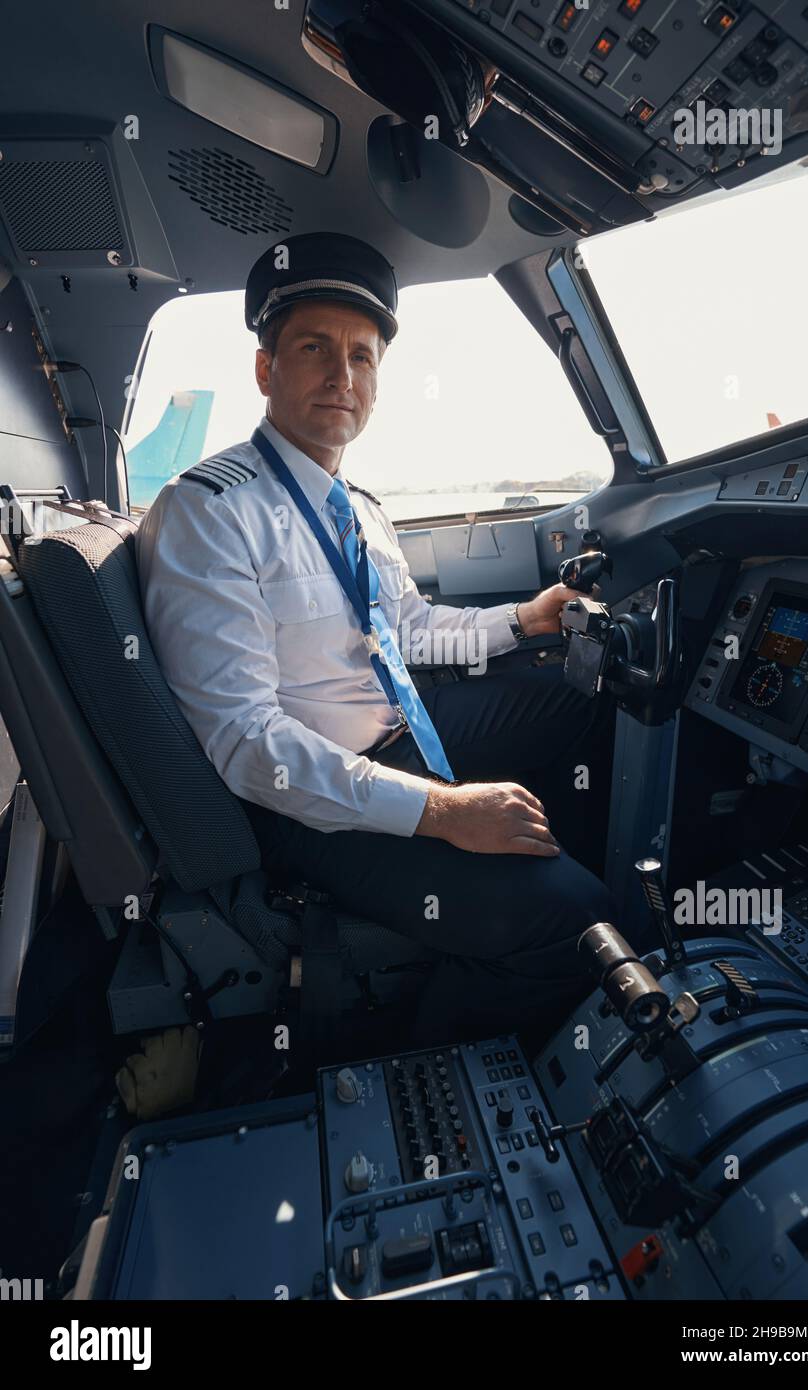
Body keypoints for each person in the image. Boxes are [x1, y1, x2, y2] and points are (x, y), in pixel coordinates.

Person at [135, 231, 614, 1053]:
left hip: (404, 733)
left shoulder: (356, 504)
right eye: (316, 349)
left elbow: (414, 632)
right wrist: (442, 812)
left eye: (362, 357)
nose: (342, 376)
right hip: (309, 804)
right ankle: (440, 1045)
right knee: (585, 924)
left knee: (585, 696)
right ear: (265, 369)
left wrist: (526, 620)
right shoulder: (210, 511)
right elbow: (252, 746)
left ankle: (564, 860)